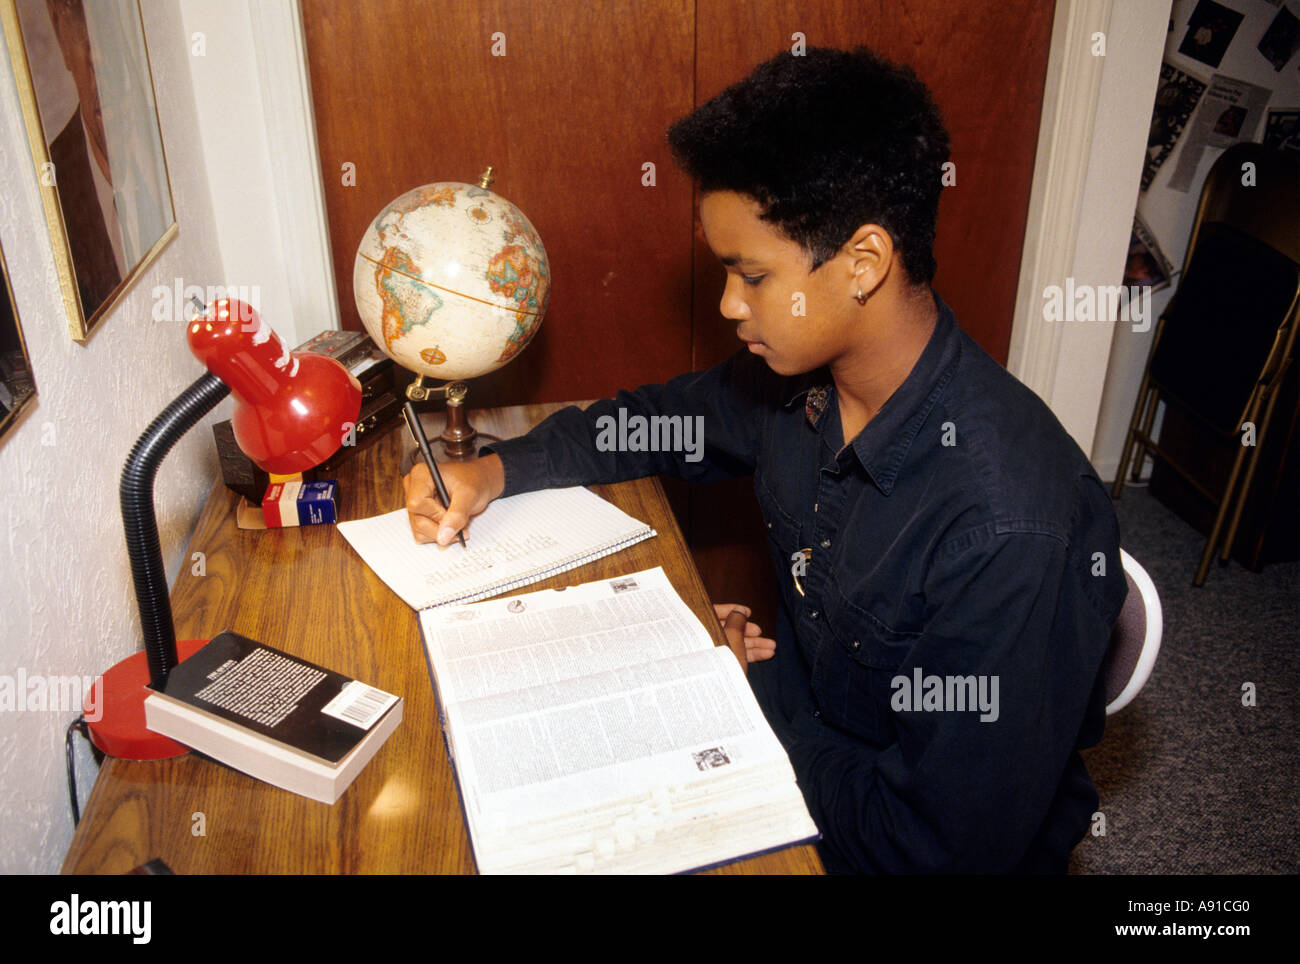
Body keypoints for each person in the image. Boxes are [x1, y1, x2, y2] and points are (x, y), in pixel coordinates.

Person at [403, 46, 1127, 874]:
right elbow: (660, 422)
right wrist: (496, 471)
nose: (727, 304)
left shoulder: (1012, 529)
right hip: (804, 734)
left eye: (751, 274)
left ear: (863, 264)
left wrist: (745, 700)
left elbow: (931, 848)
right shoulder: (800, 381)